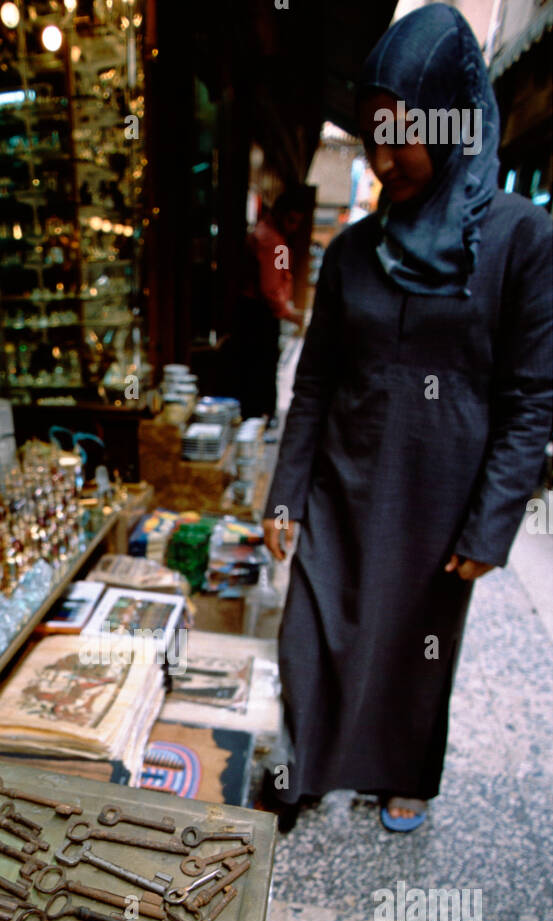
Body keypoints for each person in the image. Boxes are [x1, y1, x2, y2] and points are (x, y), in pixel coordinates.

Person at [262, 4, 553, 834]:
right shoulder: (353, 251)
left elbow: (531, 397)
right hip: (338, 485)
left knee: (410, 650)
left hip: (438, 499)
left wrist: (490, 524)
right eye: (370, 137)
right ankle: (305, 766)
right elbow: (313, 383)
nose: (383, 161)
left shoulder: (519, 241)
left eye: (402, 137)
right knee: (310, 634)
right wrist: (286, 492)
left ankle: (401, 775)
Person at [233, 187, 309, 425]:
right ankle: (259, 419)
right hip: (259, 315)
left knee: (263, 367)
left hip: (261, 312)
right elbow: (270, 288)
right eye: (291, 220)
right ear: (280, 214)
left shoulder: (277, 240)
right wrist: (289, 313)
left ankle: (262, 416)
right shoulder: (272, 241)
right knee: (260, 368)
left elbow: (280, 277)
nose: (294, 227)